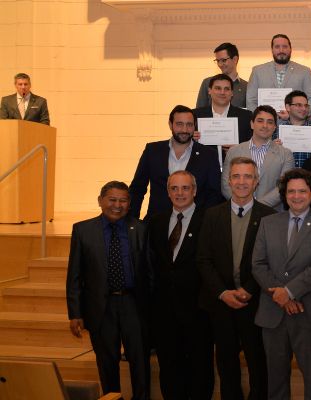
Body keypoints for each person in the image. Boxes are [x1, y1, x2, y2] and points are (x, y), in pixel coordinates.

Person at [252, 168, 311, 400]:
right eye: (291, 191)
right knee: (276, 379)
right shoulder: (269, 223)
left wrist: (288, 292)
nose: (296, 196)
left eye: (302, 191)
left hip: (309, 313)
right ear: (284, 194)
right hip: (273, 313)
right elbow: (258, 264)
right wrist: (280, 296)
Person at [197, 157, 274, 400]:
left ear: (256, 181)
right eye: (237, 176)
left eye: (248, 176)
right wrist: (223, 293)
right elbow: (203, 259)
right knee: (226, 361)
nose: (242, 182)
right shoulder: (211, 215)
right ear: (229, 180)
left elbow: (271, 261)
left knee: (257, 360)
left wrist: (249, 289)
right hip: (221, 302)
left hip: (255, 301)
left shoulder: (269, 216)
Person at [66, 181, 151, 399]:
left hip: (134, 305)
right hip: (101, 308)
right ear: (100, 201)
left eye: (123, 200)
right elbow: (74, 274)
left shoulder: (140, 229)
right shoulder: (82, 230)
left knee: (140, 362)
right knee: (107, 363)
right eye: (112, 200)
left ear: (129, 204)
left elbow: (150, 273)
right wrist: (75, 313)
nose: (117, 205)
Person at [147, 171, 214, 400]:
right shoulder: (155, 222)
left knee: (200, 368)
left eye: (185, 188)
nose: (180, 193)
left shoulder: (210, 219)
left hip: (199, 310)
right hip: (165, 311)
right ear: (167, 192)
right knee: (169, 368)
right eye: (174, 188)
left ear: (194, 191)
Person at [129, 105, 223, 219]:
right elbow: (137, 188)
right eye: (179, 124)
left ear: (195, 126)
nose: (184, 130)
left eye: (189, 125)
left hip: (195, 225)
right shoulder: (152, 151)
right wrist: (132, 222)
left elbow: (214, 193)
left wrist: (205, 222)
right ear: (170, 124)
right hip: (157, 223)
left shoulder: (208, 155)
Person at [222, 105, 295, 209]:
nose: (265, 125)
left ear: (275, 127)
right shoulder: (234, 151)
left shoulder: (286, 154)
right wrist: (242, 204)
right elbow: (226, 184)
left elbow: (283, 186)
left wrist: (256, 207)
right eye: (260, 121)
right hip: (238, 211)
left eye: (270, 122)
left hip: (272, 214)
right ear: (252, 124)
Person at [246, 34, 311, 120]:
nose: (281, 50)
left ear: (290, 49)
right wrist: (261, 118)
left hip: (295, 126)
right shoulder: (257, 71)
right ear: (272, 50)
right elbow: (250, 100)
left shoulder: (304, 71)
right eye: (277, 47)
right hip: (265, 127)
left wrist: (296, 115)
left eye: (285, 46)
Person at [193, 74, 253, 165]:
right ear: (209, 91)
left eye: (226, 89)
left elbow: (253, 146)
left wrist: (239, 149)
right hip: (204, 169)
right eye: (218, 88)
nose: (222, 92)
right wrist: (191, 139)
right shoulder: (195, 116)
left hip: (235, 169)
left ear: (232, 92)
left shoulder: (246, 116)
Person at [274, 90, 311, 168]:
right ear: (288, 107)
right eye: (299, 105)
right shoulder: (277, 131)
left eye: (306, 105)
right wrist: (273, 149)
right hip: (285, 177)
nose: (304, 109)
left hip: (310, 176)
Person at [196, 42, 248, 109]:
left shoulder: (246, 86)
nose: (220, 64)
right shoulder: (207, 83)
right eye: (218, 61)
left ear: (235, 59)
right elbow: (199, 112)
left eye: (223, 60)